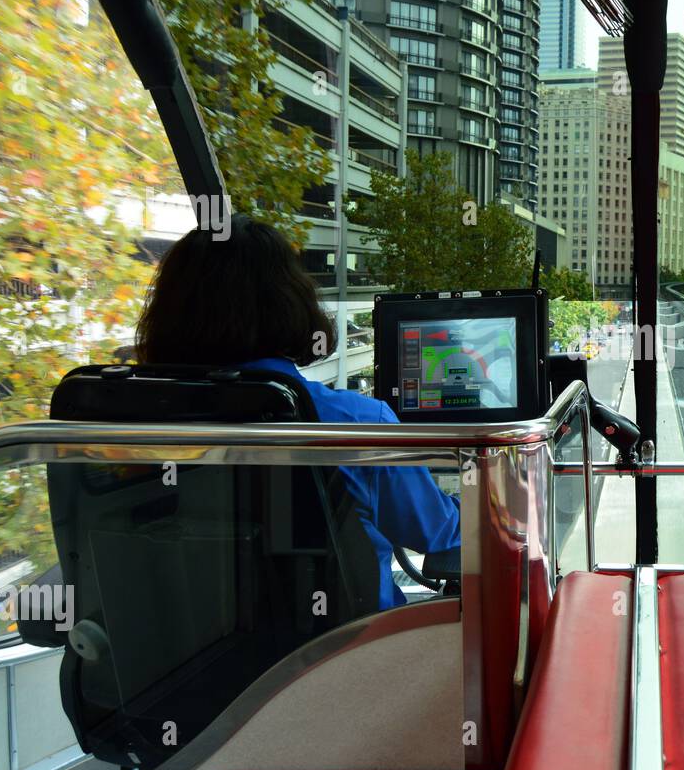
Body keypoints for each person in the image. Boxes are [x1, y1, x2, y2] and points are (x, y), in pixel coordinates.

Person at [134, 215, 460, 610]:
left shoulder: (119, 427)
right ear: (289, 303)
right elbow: (437, 534)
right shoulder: (357, 426)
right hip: (344, 656)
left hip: (188, 660)